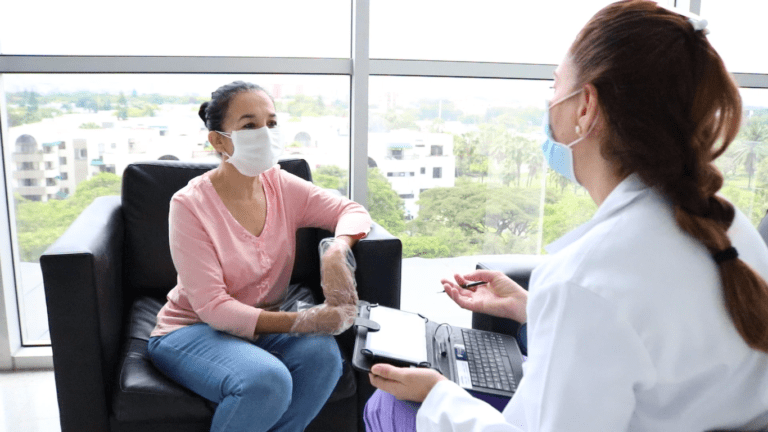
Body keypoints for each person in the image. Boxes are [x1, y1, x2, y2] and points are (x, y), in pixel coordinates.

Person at [365, 1, 768, 431]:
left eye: (555, 86)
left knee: (389, 406)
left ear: (585, 107)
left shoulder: (585, 278)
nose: (550, 101)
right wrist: (531, 309)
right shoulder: (729, 226)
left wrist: (437, 397)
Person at [146, 81, 372, 432]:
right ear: (219, 141)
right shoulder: (189, 205)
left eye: (271, 123)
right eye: (250, 125)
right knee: (267, 380)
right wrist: (305, 321)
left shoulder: (280, 184)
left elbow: (351, 210)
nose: (265, 134)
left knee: (325, 359)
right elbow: (214, 309)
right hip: (192, 330)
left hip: (261, 326)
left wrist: (336, 249)